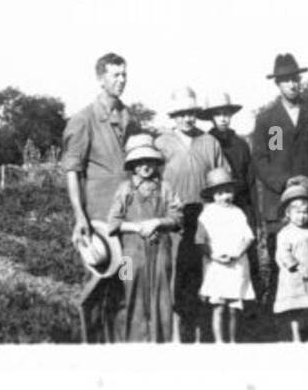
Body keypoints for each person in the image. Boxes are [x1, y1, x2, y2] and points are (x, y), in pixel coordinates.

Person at [60, 53, 141, 343]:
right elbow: (72, 170)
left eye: (124, 74)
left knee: (125, 278)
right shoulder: (83, 121)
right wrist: (80, 217)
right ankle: (92, 347)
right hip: (98, 219)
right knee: (98, 283)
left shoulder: (129, 117)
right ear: (100, 79)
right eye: (115, 75)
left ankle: (120, 343)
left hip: (128, 217)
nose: (121, 80)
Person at [251, 54, 308, 298]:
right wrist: (283, 183)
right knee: (285, 263)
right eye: (286, 80)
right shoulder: (270, 121)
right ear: (277, 84)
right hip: (280, 205)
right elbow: (264, 159)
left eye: (295, 79)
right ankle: (283, 323)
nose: (292, 84)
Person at [155, 86, 229, 343]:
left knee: (204, 273)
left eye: (192, 113)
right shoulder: (162, 143)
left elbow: (222, 179)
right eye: (182, 113)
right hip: (173, 218)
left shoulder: (210, 142)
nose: (187, 118)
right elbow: (154, 184)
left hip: (205, 215)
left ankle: (203, 334)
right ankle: (175, 334)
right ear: (173, 116)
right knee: (174, 273)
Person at [106, 135, 184, 343]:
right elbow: (112, 223)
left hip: (160, 250)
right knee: (129, 294)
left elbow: (177, 218)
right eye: (139, 162)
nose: (145, 167)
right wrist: (137, 227)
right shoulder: (125, 189)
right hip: (128, 255)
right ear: (133, 165)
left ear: (155, 162)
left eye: (149, 161)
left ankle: (160, 344)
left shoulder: (165, 188)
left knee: (162, 296)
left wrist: (157, 222)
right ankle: (130, 346)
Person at [202, 92, 262, 298]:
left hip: (242, 207)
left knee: (246, 260)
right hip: (218, 209)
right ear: (211, 117)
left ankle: (250, 317)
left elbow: (251, 180)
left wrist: (255, 216)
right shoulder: (206, 142)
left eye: (226, 114)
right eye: (218, 114)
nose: (223, 118)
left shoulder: (241, 144)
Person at [196, 167, 256, 344]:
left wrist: (237, 253)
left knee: (233, 307)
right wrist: (213, 256)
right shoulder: (207, 214)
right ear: (213, 195)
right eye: (220, 192)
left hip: (236, 264)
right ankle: (219, 342)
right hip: (216, 265)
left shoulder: (238, 213)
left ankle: (231, 341)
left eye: (228, 191)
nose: (226, 196)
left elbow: (249, 237)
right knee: (219, 306)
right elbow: (200, 240)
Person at [273, 183, 308, 342]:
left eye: (305, 212)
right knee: (294, 308)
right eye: (297, 212)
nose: (302, 216)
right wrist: (297, 266)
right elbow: (283, 254)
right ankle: (296, 336)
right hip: (294, 277)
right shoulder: (285, 233)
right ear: (288, 213)